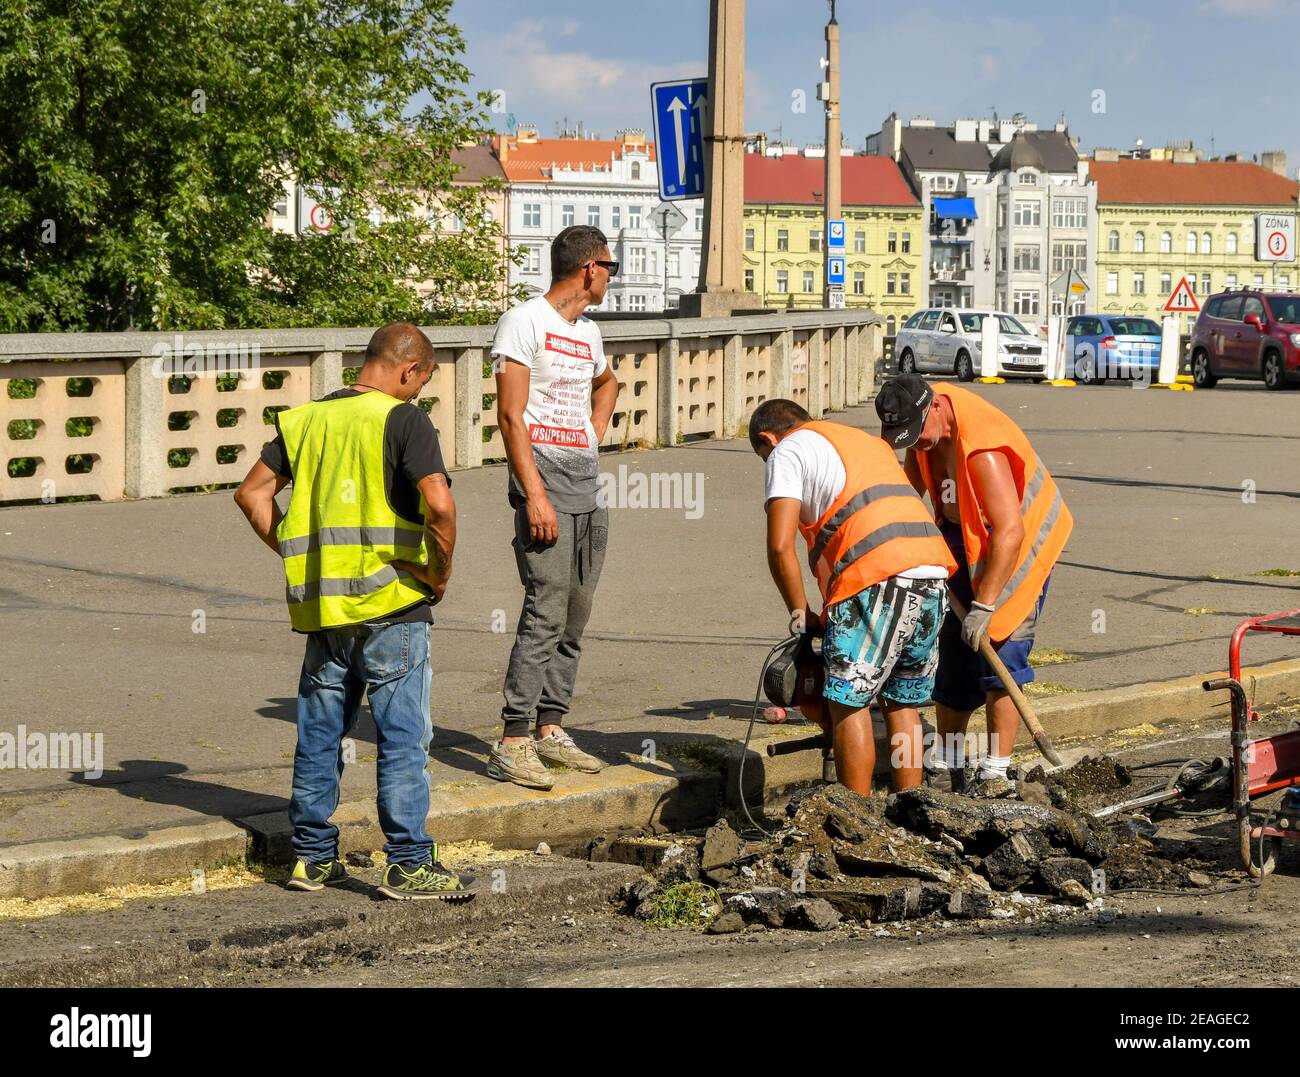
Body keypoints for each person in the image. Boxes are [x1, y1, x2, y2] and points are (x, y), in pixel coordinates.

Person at [234, 323, 472, 900]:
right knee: (402, 737)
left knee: (319, 734)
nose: (417, 394)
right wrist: (437, 574)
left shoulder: (306, 420)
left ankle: (312, 859)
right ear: (409, 369)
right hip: (393, 602)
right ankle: (408, 862)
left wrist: (296, 552)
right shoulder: (403, 419)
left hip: (325, 609)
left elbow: (251, 494)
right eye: (420, 382)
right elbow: (440, 503)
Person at [876, 375, 1073, 798]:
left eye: (917, 434)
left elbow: (1009, 532)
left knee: (1002, 655)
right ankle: (948, 762)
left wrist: (984, 606)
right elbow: (910, 495)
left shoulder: (981, 446)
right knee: (951, 654)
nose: (916, 444)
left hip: (1016, 548)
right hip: (962, 535)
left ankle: (995, 772)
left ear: (935, 408)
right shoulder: (924, 431)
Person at [749, 398, 957, 796]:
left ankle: (856, 819)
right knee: (902, 703)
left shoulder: (787, 450)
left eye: (763, 456)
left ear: (767, 438)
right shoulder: (861, 441)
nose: (767, 463)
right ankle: (909, 808)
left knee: (849, 701)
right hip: (931, 572)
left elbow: (779, 547)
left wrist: (799, 612)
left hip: (874, 577)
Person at [486, 225, 620, 790]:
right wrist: (534, 492)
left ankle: (550, 728)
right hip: (544, 489)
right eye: (610, 266)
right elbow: (510, 415)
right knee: (545, 610)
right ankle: (513, 739)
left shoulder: (588, 333)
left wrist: (591, 433)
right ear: (589, 268)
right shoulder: (523, 321)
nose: (612, 277)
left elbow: (608, 383)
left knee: (575, 615)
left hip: (587, 490)